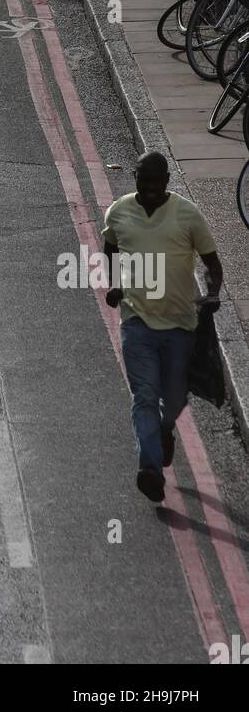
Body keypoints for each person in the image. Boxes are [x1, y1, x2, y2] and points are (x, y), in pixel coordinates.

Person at [102, 152, 223, 504]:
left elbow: (213, 263)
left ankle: (165, 429)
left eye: (158, 180)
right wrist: (118, 285)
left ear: (167, 181)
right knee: (143, 395)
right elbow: (110, 250)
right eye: (145, 179)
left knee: (172, 399)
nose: (152, 187)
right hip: (136, 320)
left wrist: (213, 294)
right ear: (136, 177)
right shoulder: (118, 212)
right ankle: (150, 469)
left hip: (180, 324)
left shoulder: (188, 214)